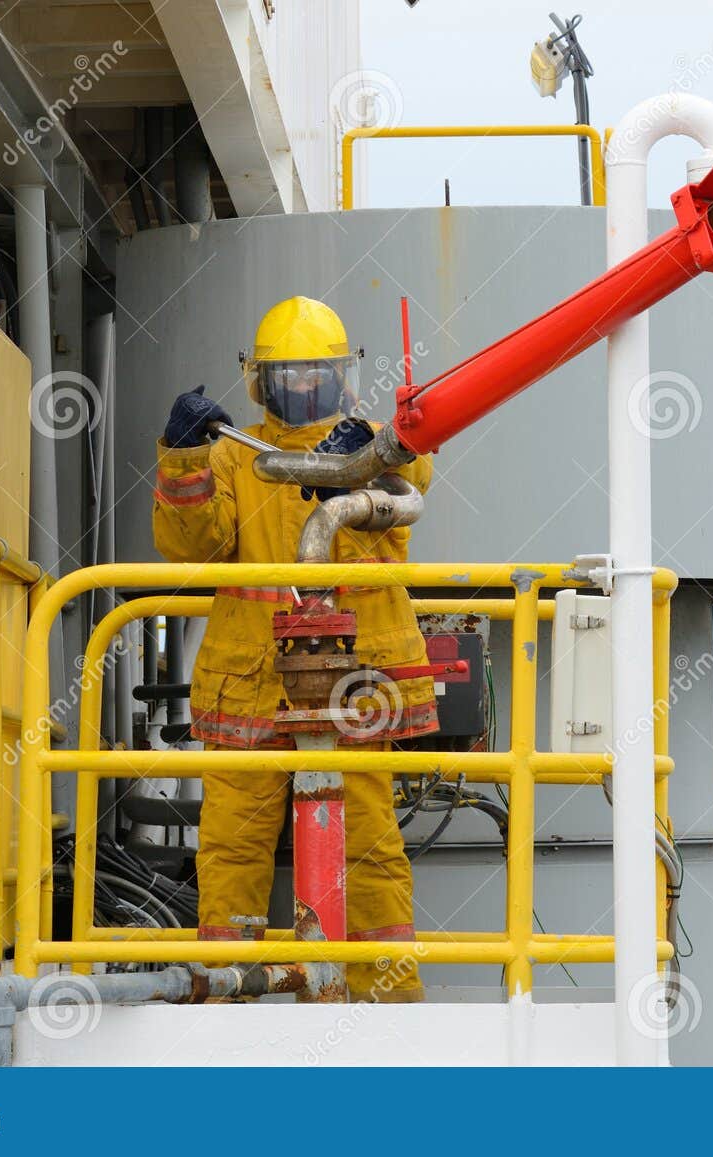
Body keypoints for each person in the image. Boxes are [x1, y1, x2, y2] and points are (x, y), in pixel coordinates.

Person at [152, 295, 437, 1002]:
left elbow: (413, 475)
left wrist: (362, 458)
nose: (304, 389)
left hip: (352, 689)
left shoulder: (376, 442)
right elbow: (194, 547)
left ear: (342, 376)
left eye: (317, 375)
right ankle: (228, 1001)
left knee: (367, 850)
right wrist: (183, 458)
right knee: (231, 853)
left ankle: (384, 1004)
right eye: (289, 378)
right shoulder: (231, 455)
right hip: (252, 691)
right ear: (260, 381)